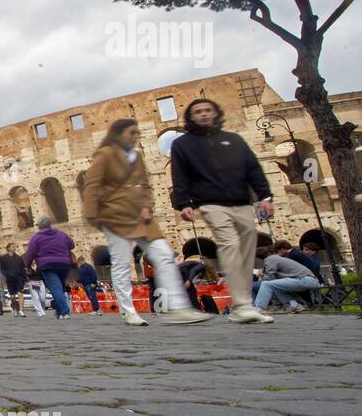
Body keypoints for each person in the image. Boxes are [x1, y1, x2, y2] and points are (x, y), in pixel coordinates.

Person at [84, 117, 211, 325]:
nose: (135, 137)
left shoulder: (137, 157)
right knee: (122, 264)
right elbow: (91, 186)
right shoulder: (105, 155)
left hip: (142, 216)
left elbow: (145, 185)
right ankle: (128, 312)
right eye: (131, 133)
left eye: (137, 133)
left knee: (164, 256)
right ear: (118, 134)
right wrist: (93, 216)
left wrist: (147, 206)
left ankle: (178, 307)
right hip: (116, 215)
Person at [169, 97, 275, 324]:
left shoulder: (233, 140)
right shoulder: (183, 144)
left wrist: (265, 197)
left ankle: (243, 303)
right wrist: (184, 203)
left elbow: (253, 169)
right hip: (210, 202)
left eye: (208, 110)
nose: (204, 114)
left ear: (216, 113)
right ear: (191, 116)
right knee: (230, 246)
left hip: (242, 202)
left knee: (247, 251)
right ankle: (243, 305)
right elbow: (179, 176)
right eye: (198, 111)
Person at [24, 217, 76, 319]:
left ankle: (65, 312)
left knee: (55, 288)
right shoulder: (61, 234)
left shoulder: (36, 237)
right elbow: (72, 245)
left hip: (47, 265)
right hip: (64, 264)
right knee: (59, 287)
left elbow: (31, 253)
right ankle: (59, 311)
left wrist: (28, 266)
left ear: (39, 226)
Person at [255, 241, 320, 314]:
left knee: (266, 284)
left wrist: (261, 276)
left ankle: (258, 309)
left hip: (305, 279)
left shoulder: (271, 259)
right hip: (309, 279)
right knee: (274, 286)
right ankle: (294, 305)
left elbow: (269, 277)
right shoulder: (275, 258)